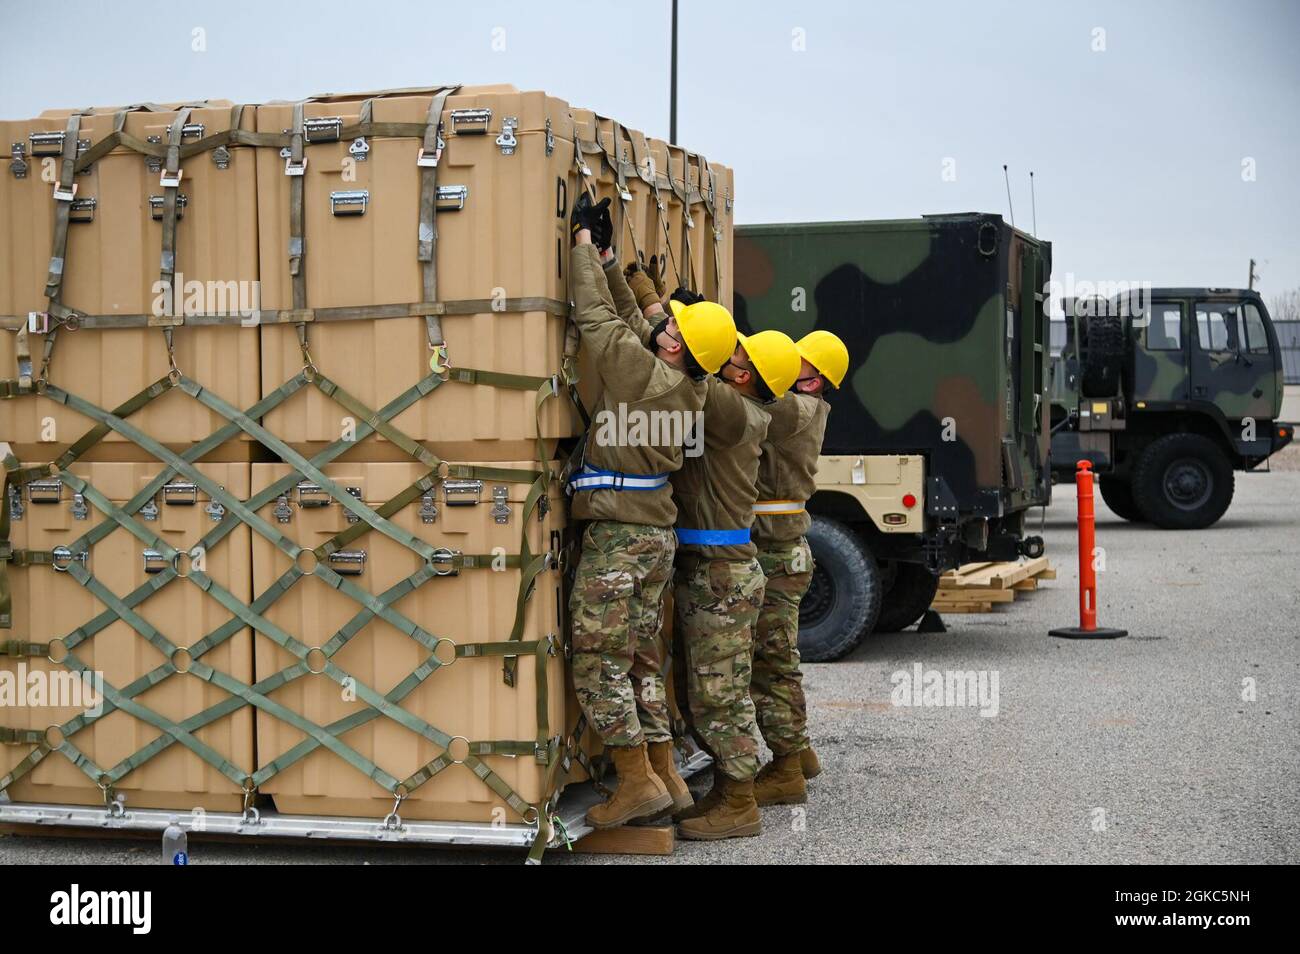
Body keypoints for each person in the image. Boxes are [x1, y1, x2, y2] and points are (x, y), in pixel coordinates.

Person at [566, 194, 737, 828]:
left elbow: (599, 321)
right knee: (640, 658)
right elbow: (636, 326)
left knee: (598, 658)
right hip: (652, 536)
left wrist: (582, 246)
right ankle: (665, 772)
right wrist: (611, 259)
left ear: (679, 346)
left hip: (620, 539)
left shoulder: (646, 375)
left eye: (673, 327)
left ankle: (636, 781)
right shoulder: (686, 382)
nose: (663, 322)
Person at [669, 322, 802, 840]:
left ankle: (740, 802)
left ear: (747, 376)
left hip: (721, 574)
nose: (729, 359)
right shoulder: (741, 406)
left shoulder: (732, 408)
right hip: (719, 569)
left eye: (737, 357)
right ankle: (730, 790)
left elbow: (693, 367)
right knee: (712, 687)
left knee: (719, 693)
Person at [748, 329, 850, 805]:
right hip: (780, 551)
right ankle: (800, 751)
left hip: (775, 552)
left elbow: (746, 391)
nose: (789, 371)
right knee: (777, 659)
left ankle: (787, 768)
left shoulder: (795, 410)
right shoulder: (801, 406)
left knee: (773, 664)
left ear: (814, 381)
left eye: (799, 367)